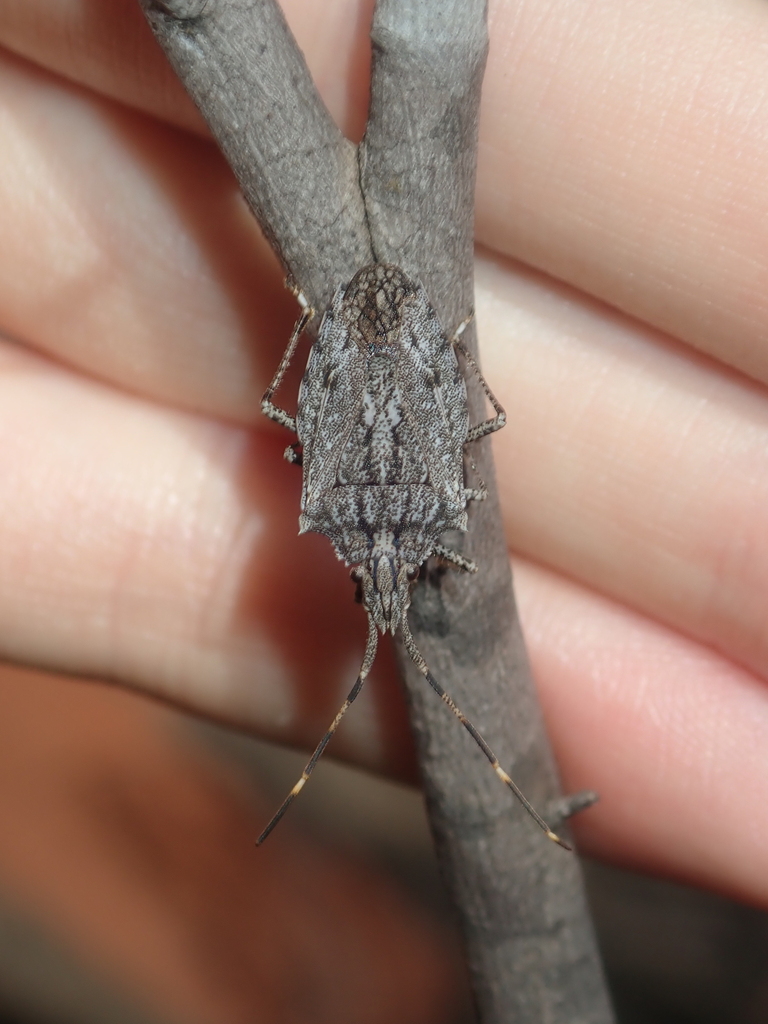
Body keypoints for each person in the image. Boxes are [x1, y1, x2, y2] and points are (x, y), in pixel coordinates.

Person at [0, 0, 765, 918]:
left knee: (461, 427)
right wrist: (358, 339)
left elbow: (484, 419)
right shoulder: (355, 525)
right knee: (311, 419)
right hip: (385, 340)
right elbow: (306, 416)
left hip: (401, 346)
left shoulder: (424, 515)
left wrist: (438, 360)